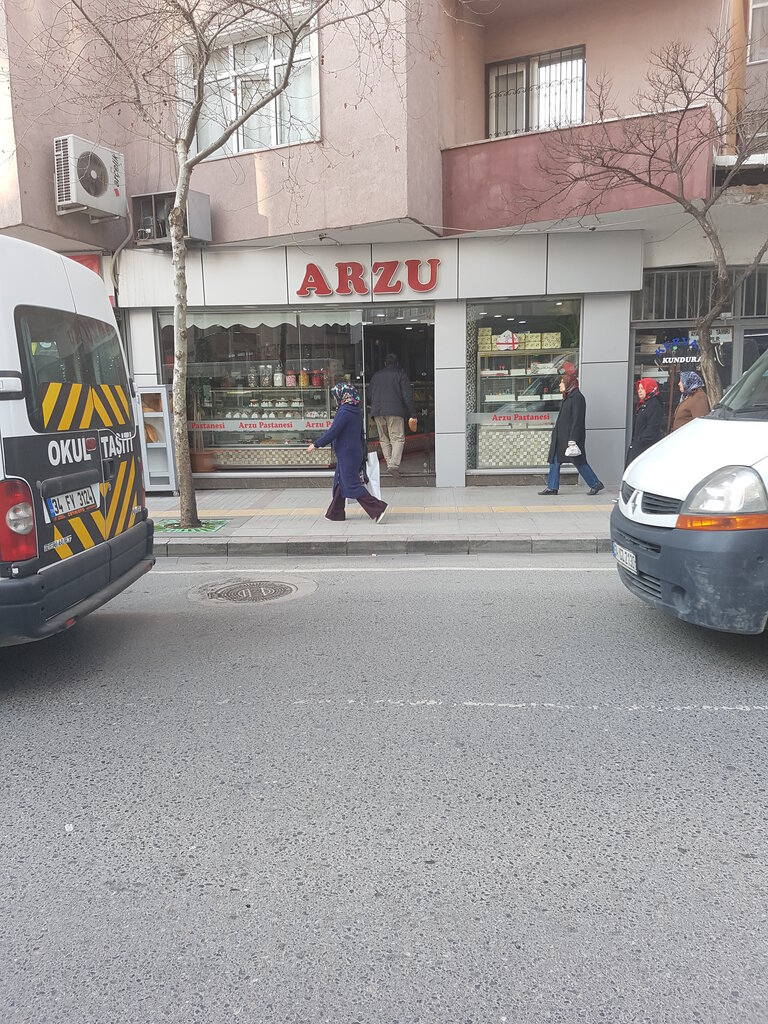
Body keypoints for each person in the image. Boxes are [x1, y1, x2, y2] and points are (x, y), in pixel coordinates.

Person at [308, 382, 389, 524]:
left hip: (348, 454)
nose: (334, 399)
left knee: (351, 486)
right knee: (341, 482)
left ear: (342, 395)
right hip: (352, 453)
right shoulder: (355, 410)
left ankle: (378, 508)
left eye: (335, 396)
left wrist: (316, 444)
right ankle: (335, 513)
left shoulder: (345, 412)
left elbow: (333, 432)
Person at [539, 365, 604, 496]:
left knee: (578, 461)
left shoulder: (578, 398)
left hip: (570, 439)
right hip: (561, 437)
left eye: (562, 381)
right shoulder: (567, 397)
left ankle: (595, 483)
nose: (559, 384)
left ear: (569, 382)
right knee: (555, 460)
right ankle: (552, 487)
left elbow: (577, 420)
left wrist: (573, 440)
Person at [369, 352, 417, 478]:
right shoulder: (401, 375)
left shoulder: (376, 376)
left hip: (378, 412)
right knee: (397, 438)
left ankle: (390, 463)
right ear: (397, 364)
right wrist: (412, 413)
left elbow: (369, 395)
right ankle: (393, 465)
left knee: (384, 439)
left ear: (385, 363)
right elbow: (407, 396)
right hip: (395, 411)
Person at [626, 377, 665, 466]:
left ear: (649, 388)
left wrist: (640, 441)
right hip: (639, 445)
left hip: (645, 447)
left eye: (642, 388)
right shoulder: (643, 404)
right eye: (639, 388)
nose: (639, 391)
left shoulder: (653, 405)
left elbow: (652, 427)